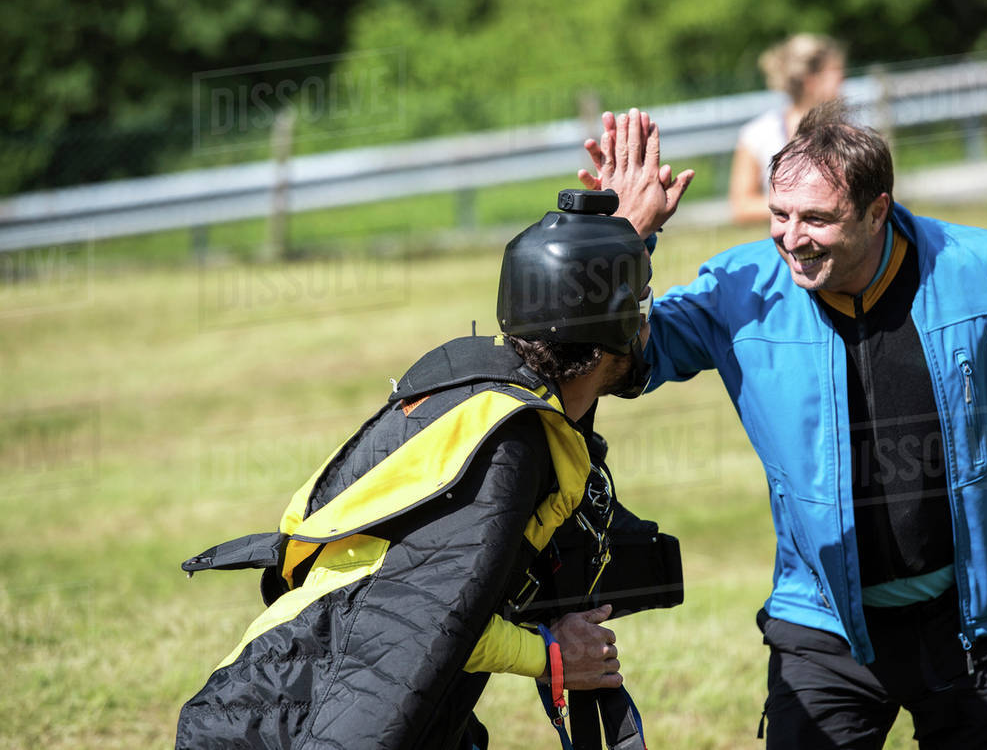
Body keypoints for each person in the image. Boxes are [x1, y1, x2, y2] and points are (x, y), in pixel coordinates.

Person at [580, 102, 987, 748]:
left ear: (877, 210)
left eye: (817, 218)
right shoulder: (741, 288)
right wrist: (624, 240)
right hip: (821, 625)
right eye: (779, 214)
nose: (790, 237)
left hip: (976, 621)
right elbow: (623, 365)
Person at [174, 153, 692, 749]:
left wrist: (625, 236)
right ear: (611, 337)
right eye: (642, 308)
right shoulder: (506, 452)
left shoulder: (499, 400)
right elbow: (419, 620)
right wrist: (549, 654)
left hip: (310, 693)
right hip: (292, 719)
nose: (650, 326)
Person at [728, 34, 844, 224]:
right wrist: (801, 204)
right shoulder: (758, 134)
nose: (842, 80)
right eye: (835, 72)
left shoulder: (850, 131)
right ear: (811, 81)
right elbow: (741, 206)